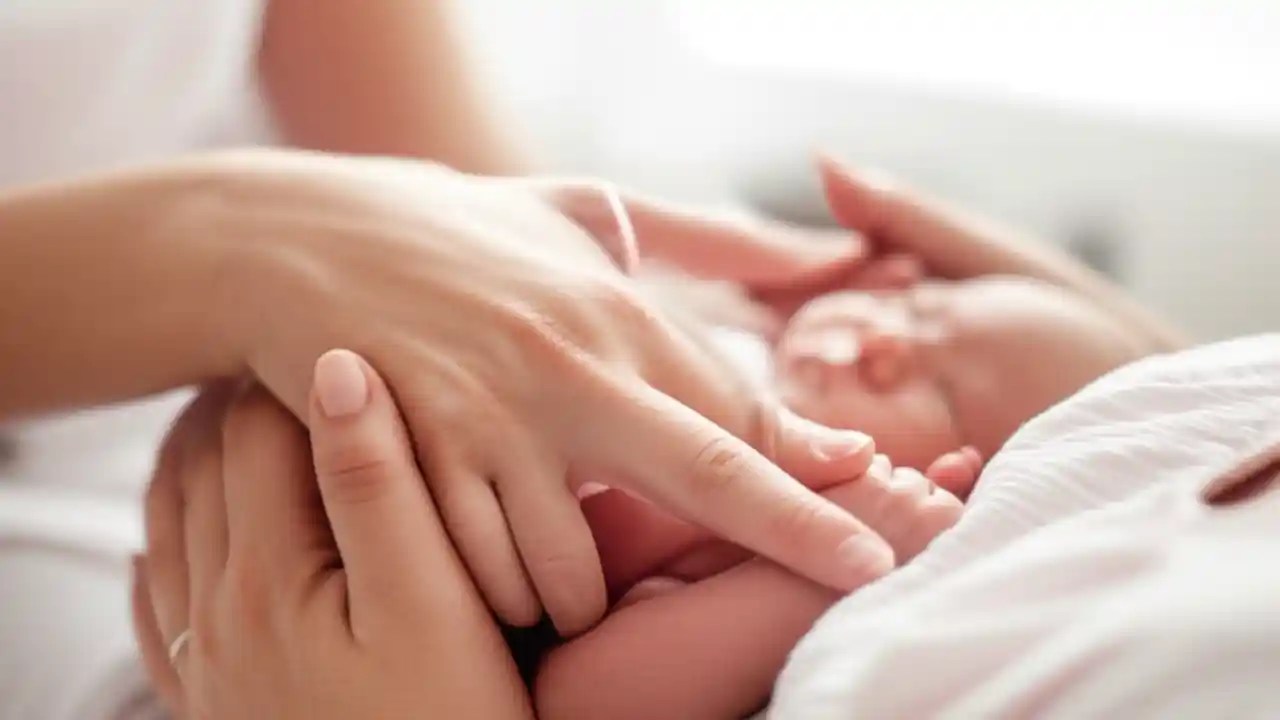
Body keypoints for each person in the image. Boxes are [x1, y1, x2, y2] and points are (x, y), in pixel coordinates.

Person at [131, 160, 1193, 719]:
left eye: (940, 390)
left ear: (958, 495)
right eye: (917, 318)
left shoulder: (780, 551)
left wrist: (819, 578)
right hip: (261, 393)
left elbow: (578, 703)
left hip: (296, 619)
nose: (879, 345)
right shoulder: (729, 342)